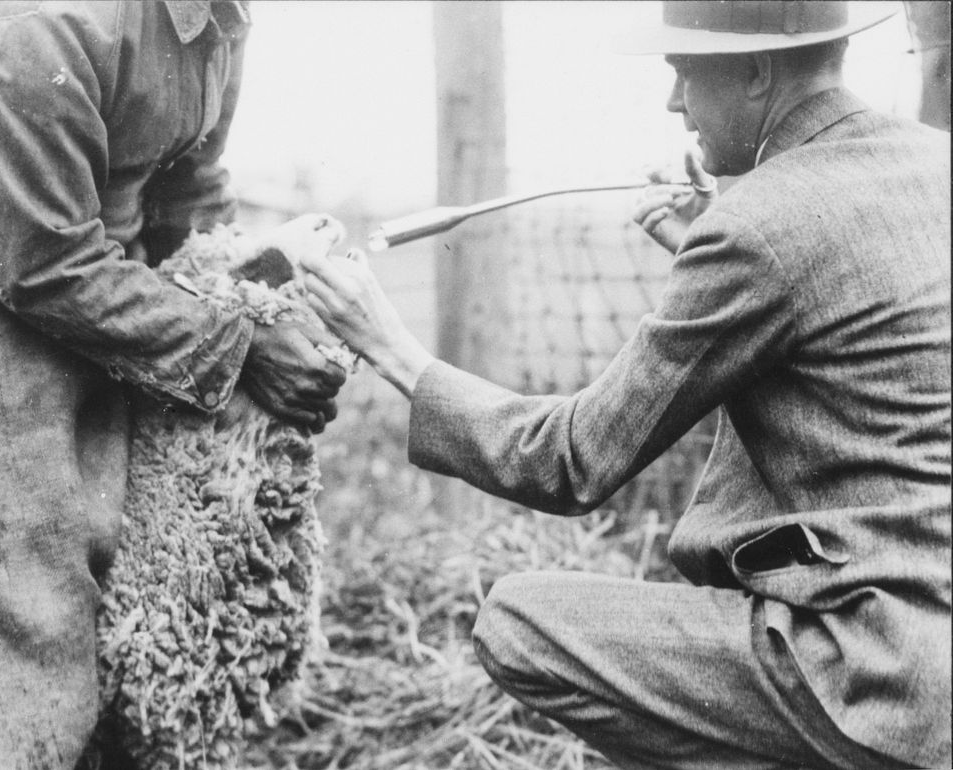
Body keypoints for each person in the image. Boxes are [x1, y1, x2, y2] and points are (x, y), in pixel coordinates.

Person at [300, 2, 951, 768]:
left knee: (518, 620)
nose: (672, 103)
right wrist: (708, 247)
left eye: (683, 73)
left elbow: (570, 461)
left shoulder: (756, 226)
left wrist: (389, 346)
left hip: (876, 680)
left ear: (754, 71)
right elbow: (839, 319)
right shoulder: (930, 161)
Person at [0, 1, 346, 767]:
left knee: (131, 607)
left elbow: (189, 185)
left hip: (114, 304)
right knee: (28, 621)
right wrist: (236, 344)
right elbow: (39, 263)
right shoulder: (46, 22)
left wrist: (250, 290)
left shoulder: (216, 15)